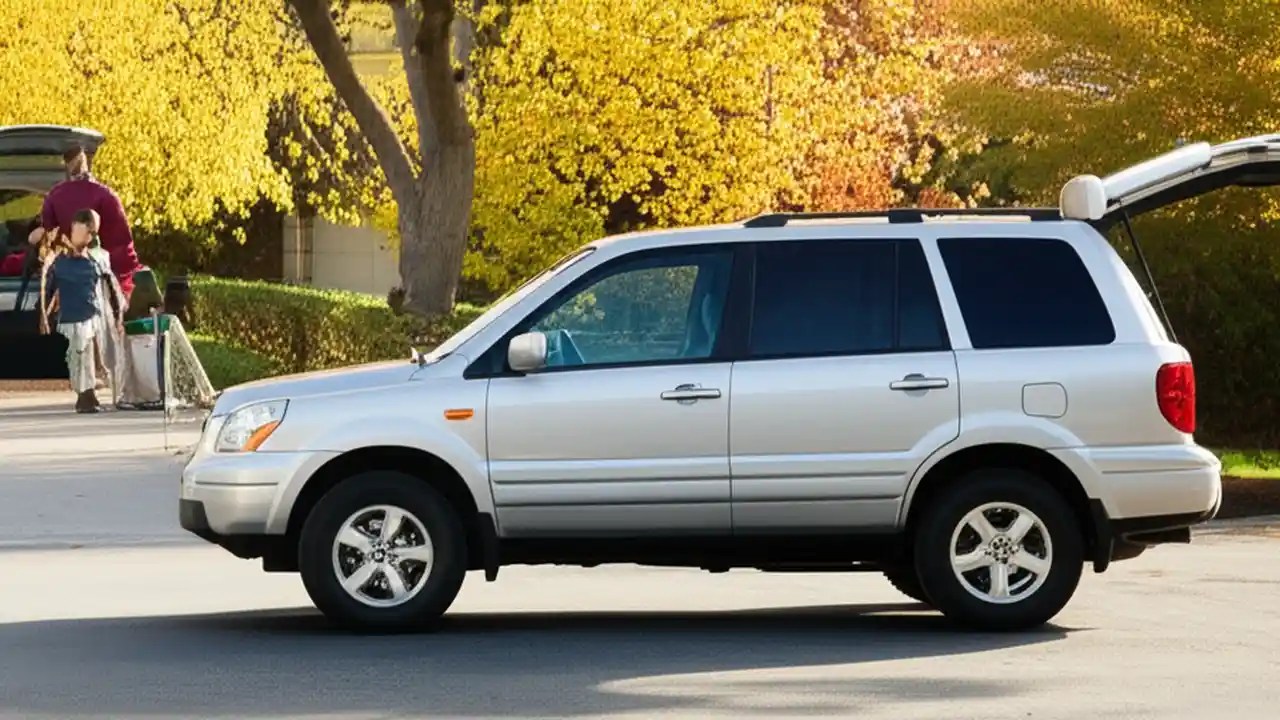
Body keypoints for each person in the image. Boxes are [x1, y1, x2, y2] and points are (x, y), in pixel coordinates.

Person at [39, 209, 126, 413]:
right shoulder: (59, 259)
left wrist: (118, 315)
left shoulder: (97, 259)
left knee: (87, 353)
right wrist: (44, 314)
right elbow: (49, 287)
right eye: (87, 230)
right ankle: (85, 396)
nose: (89, 235)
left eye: (91, 232)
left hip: (90, 314)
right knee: (79, 353)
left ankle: (89, 395)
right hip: (73, 315)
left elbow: (112, 288)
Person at [32, 143, 139, 300]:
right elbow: (122, 247)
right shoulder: (105, 196)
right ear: (86, 162)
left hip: (65, 281)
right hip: (101, 279)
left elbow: (49, 239)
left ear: (66, 166)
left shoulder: (55, 196)